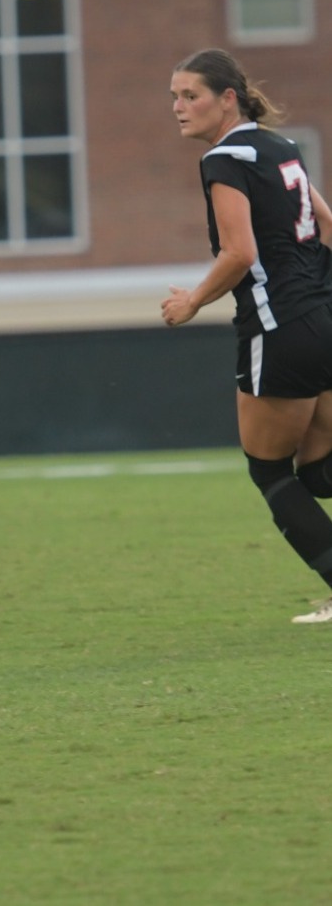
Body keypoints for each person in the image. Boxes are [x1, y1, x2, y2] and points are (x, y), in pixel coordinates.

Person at [162, 48, 332, 625]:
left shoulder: (225, 159)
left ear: (227, 98)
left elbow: (240, 253)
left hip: (279, 325)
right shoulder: (282, 147)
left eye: (191, 96)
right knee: (318, 468)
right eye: (175, 97)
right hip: (321, 317)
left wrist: (191, 301)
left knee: (271, 472)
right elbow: (326, 225)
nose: (180, 108)